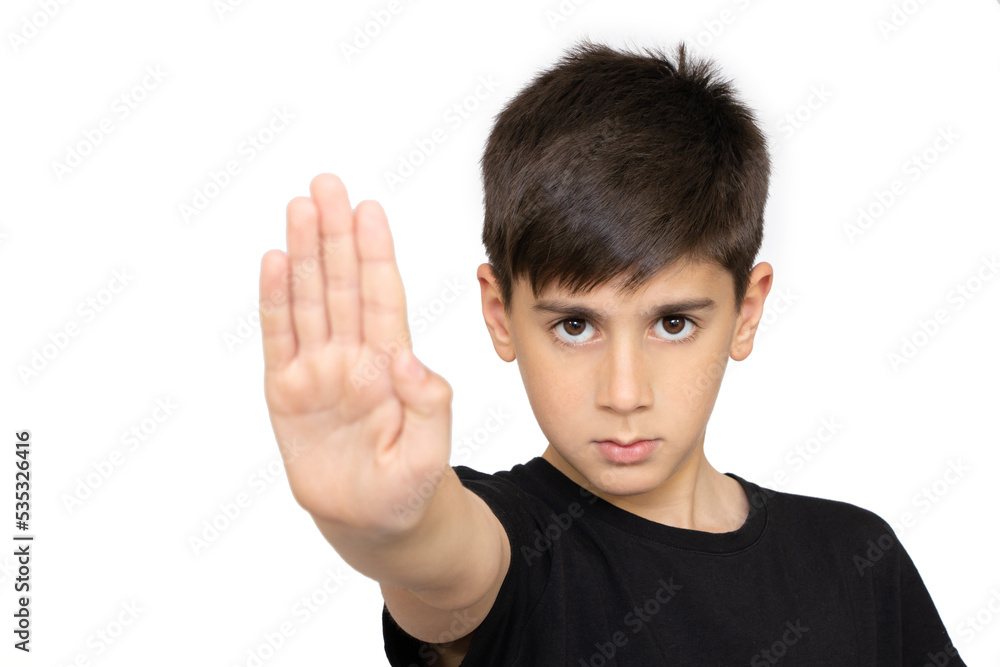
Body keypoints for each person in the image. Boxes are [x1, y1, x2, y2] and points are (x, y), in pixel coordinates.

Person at [257, 39, 965, 666]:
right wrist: (396, 524)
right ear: (500, 315)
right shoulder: (519, 547)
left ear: (746, 312)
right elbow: (445, 565)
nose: (624, 392)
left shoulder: (853, 558)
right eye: (575, 326)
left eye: (674, 323)